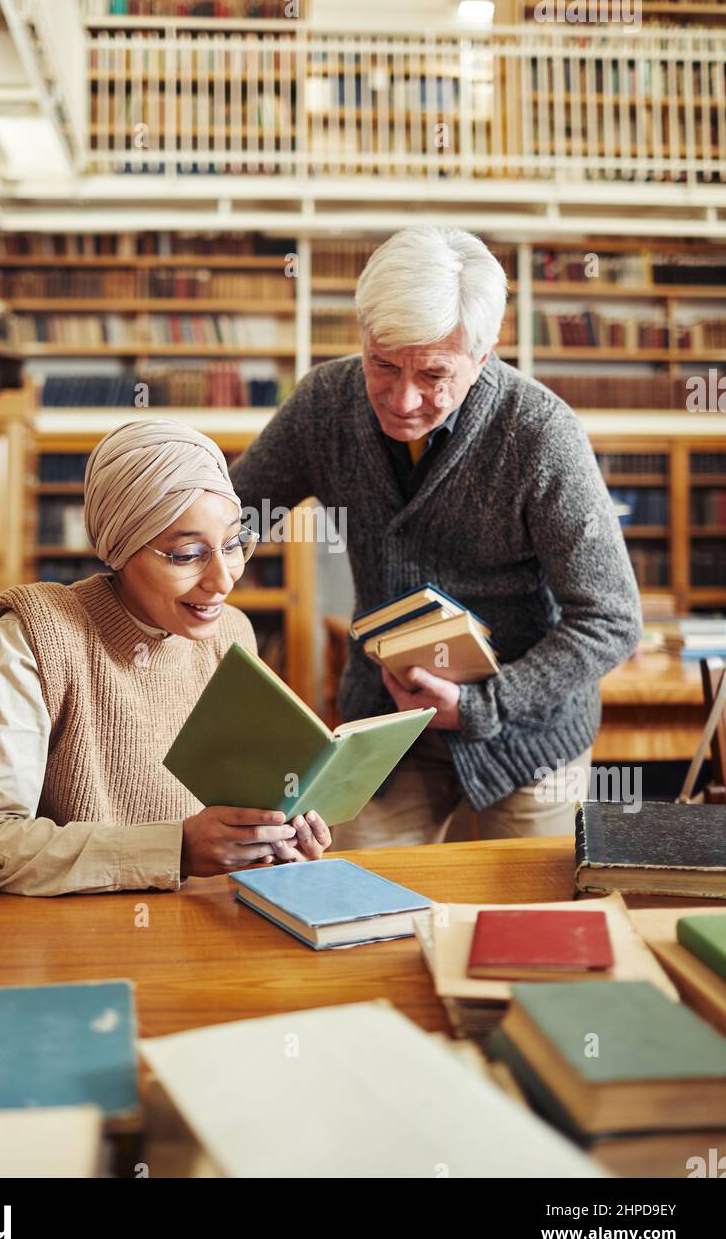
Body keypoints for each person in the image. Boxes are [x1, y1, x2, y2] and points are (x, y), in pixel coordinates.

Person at [230, 225, 643, 848]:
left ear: (483, 356)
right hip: (387, 727)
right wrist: (190, 568)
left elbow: (611, 618)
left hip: (525, 735)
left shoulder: (540, 434)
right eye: (383, 364)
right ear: (363, 336)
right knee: (348, 887)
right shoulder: (325, 405)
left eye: (434, 374)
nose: (402, 399)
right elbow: (237, 516)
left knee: (521, 924)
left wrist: (483, 704)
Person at [0, 418, 331, 895]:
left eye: (232, 544)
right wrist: (175, 850)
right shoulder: (36, 635)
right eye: (187, 555)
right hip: (74, 944)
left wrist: (276, 838)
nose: (224, 581)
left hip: (200, 929)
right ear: (119, 550)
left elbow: (243, 811)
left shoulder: (231, 634)